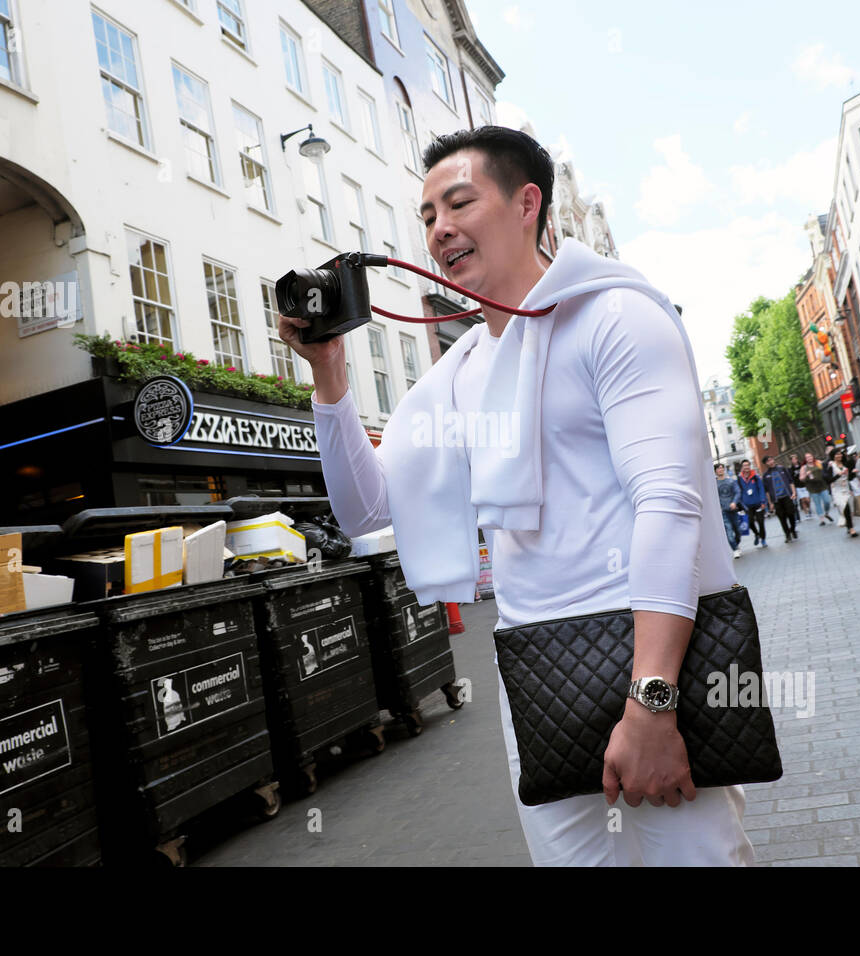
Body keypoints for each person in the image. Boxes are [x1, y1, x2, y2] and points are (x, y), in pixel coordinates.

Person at [282, 126, 752, 867]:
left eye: (459, 202)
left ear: (527, 203)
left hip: (661, 667)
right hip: (540, 682)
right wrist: (330, 376)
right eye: (427, 215)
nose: (439, 229)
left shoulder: (616, 315)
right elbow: (366, 510)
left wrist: (652, 704)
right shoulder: (463, 370)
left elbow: (669, 503)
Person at [761, 455, 798, 544]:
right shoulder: (766, 475)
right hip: (776, 500)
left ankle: (792, 529)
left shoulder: (782, 469)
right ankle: (787, 534)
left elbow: (790, 481)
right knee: (782, 518)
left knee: (791, 513)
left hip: (787, 496)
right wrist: (770, 503)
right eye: (768, 461)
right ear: (766, 464)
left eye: (771, 459)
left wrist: (793, 492)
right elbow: (767, 491)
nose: (771, 462)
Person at [826, 449, 858, 538]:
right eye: (836, 454)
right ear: (833, 456)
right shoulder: (831, 465)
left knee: (849, 509)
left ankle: (849, 526)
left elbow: (849, 478)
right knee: (845, 507)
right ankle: (851, 528)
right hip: (837, 491)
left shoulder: (845, 465)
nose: (839, 456)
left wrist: (853, 473)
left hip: (846, 490)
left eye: (840, 454)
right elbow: (828, 480)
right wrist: (838, 475)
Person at [736, 459, 768, 550]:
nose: (746, 467)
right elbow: (738, 493)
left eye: (747, 465)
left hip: (758, 504)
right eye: (744, 465)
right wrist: (741, 505)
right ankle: (756, 534)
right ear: (742, 467)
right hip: (747, 506)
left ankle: (763, 539)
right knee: (750, 522)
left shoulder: (756, 477)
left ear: (750, 466)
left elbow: (761, 489)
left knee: (761, 522)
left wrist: (763, 501)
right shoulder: (739, 479)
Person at [714, 463, 743, 559]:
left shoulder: (731, 481)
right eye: (718, 469)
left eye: (722, 468)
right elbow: (713, 497)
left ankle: (736, 544)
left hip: (733, 510)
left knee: (738, 531)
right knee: (729, 532)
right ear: (715, 471)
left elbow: (738, 492)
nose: (720, 470)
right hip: (723, 512)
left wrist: (734, 502)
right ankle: (735, 549)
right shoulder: (714, 484)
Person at [799, 453, 833, 524]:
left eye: (810, 456)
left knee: (827, 501)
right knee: (817, 504)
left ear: (813, 456)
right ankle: (822, 519)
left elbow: (826, 468)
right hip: (812, 488)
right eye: (807, 457)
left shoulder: (818, 463)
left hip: (822, 485)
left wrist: (829, 465)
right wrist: (806, 474)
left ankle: (826, 513)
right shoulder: (804, 467)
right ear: (805, 459)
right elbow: (801, 478)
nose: (809, 458)